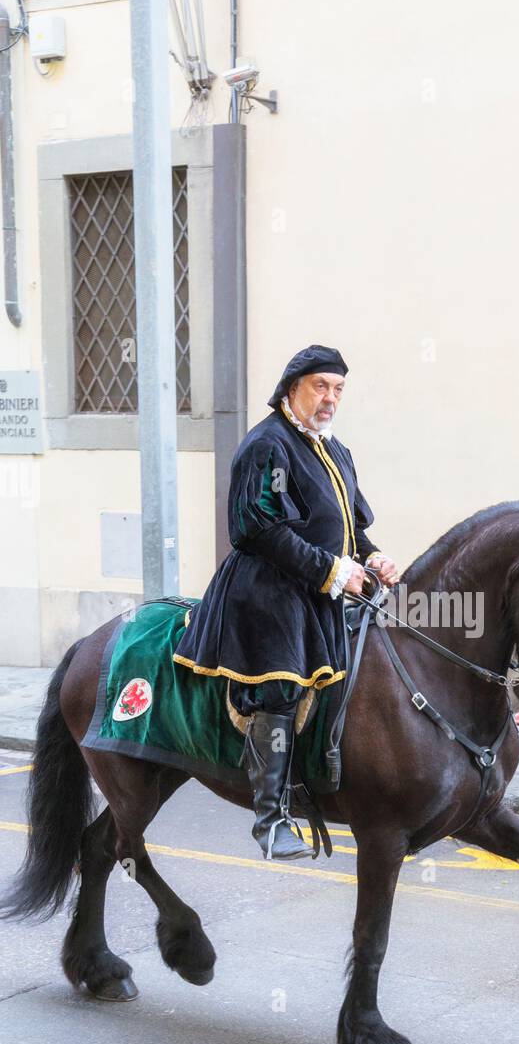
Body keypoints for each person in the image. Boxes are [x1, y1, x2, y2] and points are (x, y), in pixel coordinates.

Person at [173, 344, 399, 859]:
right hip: (267, 587)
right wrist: (332, 569)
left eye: (338, 389)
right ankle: (270, 817)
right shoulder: (268, 445)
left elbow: (350, 526)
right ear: (291, 388)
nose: (330, 398)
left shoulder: (333, 449)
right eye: (321, 386)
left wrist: (373, 556)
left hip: (324, 586)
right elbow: (258, 528)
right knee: (281, 684)